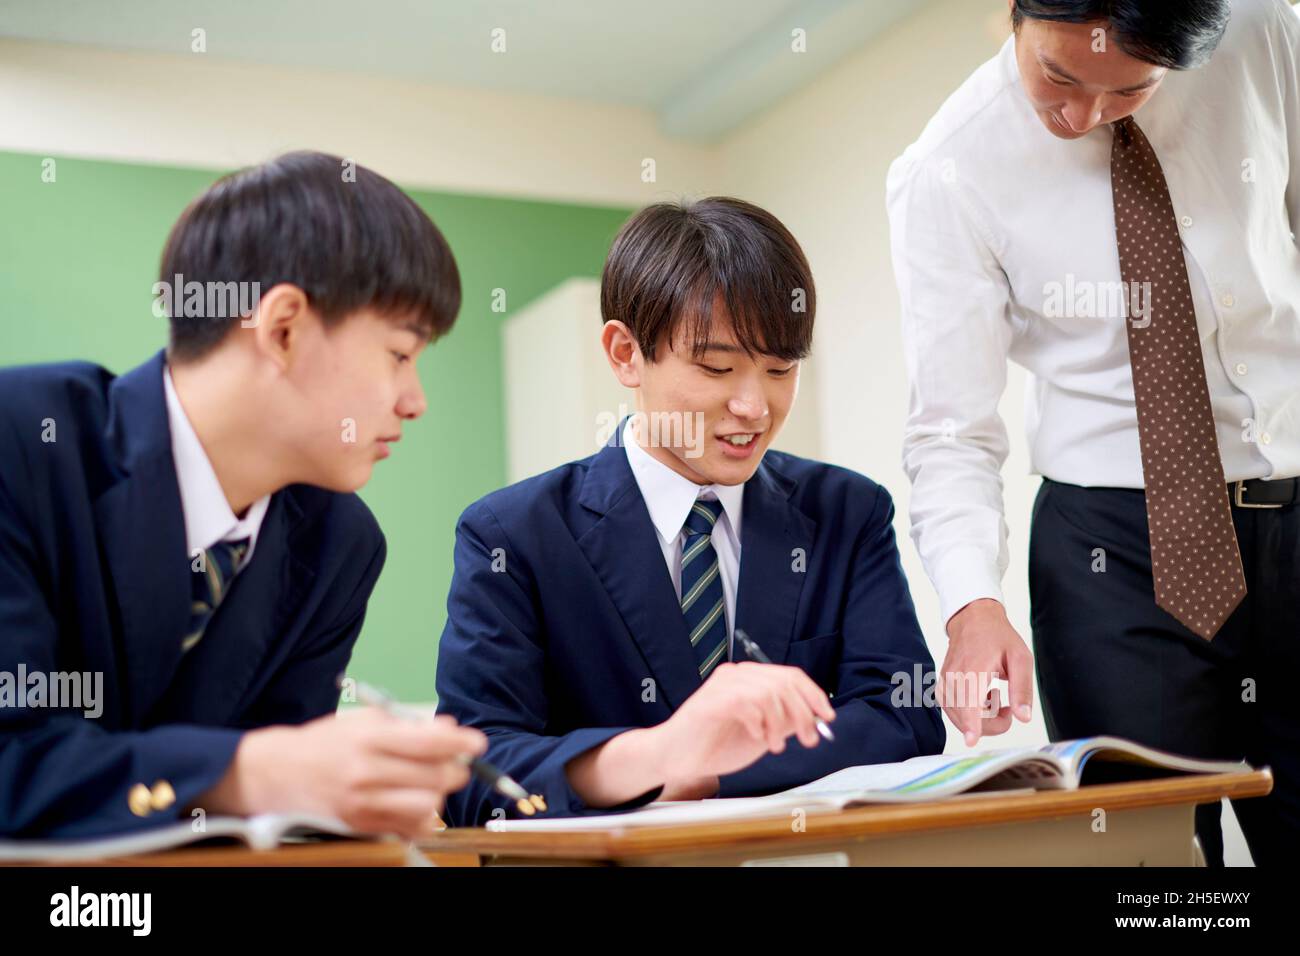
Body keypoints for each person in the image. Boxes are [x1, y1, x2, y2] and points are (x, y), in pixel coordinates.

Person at [887, 0, 1299, 864]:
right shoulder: (949, 167)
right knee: (1147, 866)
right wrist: (973, 605)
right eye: (1060, 76)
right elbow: (952, 431)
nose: (1082, 118)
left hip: (1291, 497)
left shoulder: (1265, 34)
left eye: (1131, 91)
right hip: (1114, 547)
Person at [0, 151, 485, 839]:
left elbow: (276, 814)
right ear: (283, 327)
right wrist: (258, 773)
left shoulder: (341, 542)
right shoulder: (21, 442)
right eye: (400, 355)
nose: (416, 401)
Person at [435, 196, 944, 826]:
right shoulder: (513, 535)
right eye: (716, 367)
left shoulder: (848, 511)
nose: (755, 407)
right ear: (625, 354)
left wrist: (716, 768)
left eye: (781, 369)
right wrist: (662, 758)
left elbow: (906, 717)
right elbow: (472, 771)